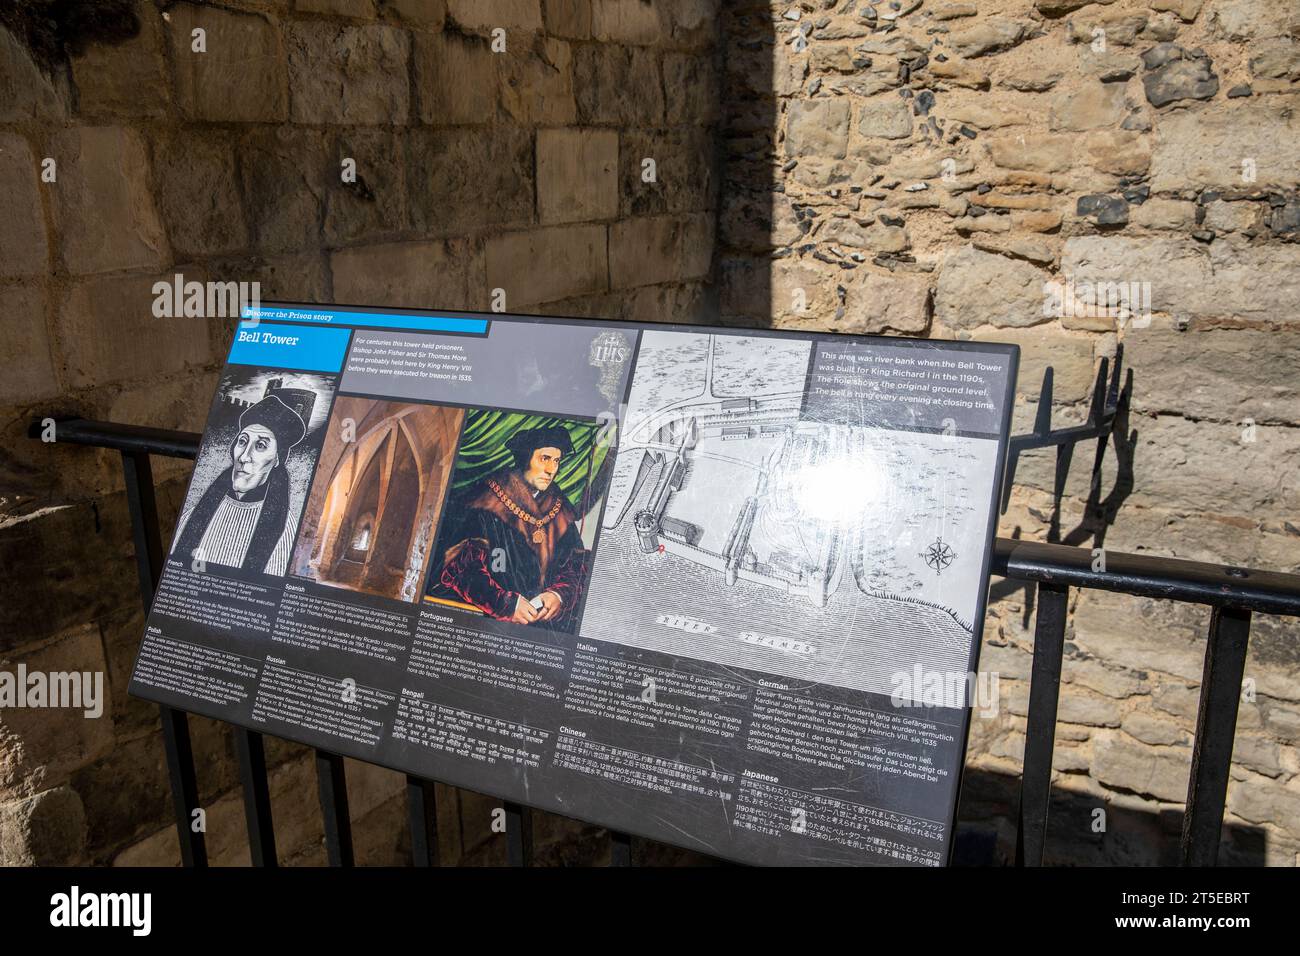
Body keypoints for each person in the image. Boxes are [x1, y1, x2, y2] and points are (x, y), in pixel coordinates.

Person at [431, 425, 589, 630]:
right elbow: (461, 567)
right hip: (488, 625)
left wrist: (558, 595)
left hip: (542, 628)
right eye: (545, 458)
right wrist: (506, 604)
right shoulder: (486, 501)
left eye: (556, 461)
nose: (551, 470)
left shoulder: (559, 508)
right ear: (526, 458)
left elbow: (576, 564)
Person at [173, 393, 306, 576]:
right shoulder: (194, 514)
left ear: (277, 459)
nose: (243, 457)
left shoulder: (285, 529)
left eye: (260, 445)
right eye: (242, 442)